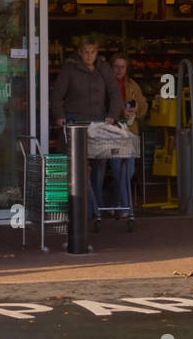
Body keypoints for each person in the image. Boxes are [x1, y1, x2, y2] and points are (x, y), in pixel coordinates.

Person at [50, 35, 123, 231]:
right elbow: (56, 96)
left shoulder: (103, 69)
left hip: (98, 126)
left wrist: (112, 115)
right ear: (80, 52)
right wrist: (60, 116)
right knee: (75, 168)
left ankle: (94, 211)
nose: (89, 55)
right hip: (76, 126)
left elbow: (115, 93)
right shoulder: (70, 69)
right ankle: (75, 212)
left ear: (97, 52)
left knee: (98, 168)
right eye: (86, 52)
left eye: (93, 52)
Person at [109, 53, 148, 221]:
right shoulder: (106, 85)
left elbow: (144, 106)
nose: (119, 70)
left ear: (127, 68)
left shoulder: (132, 85)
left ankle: (113, 201)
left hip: (130, 131)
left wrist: (136, 110)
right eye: (116, 66)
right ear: (111, 67)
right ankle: (126, 208)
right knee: (118, 168)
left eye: (122, 67)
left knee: (129, 170)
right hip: (112, 131)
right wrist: (119, 112)